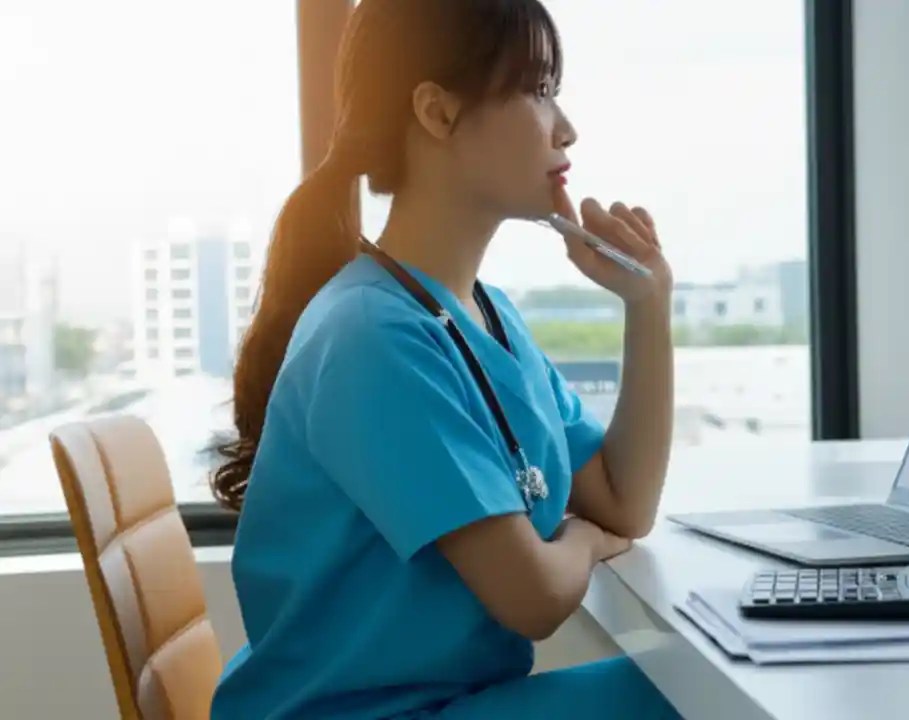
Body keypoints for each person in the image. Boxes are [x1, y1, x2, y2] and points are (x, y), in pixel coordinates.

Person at [208, 0, 678, 717]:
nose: (566, 128)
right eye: (537, 88)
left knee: (702, 692)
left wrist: (648, 306)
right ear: (437, 112)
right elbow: (533, 598)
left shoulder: (484, 316)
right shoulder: (372, 336)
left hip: (451, 704)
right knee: (706, 699)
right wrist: (583, 539)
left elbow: (625, 501)